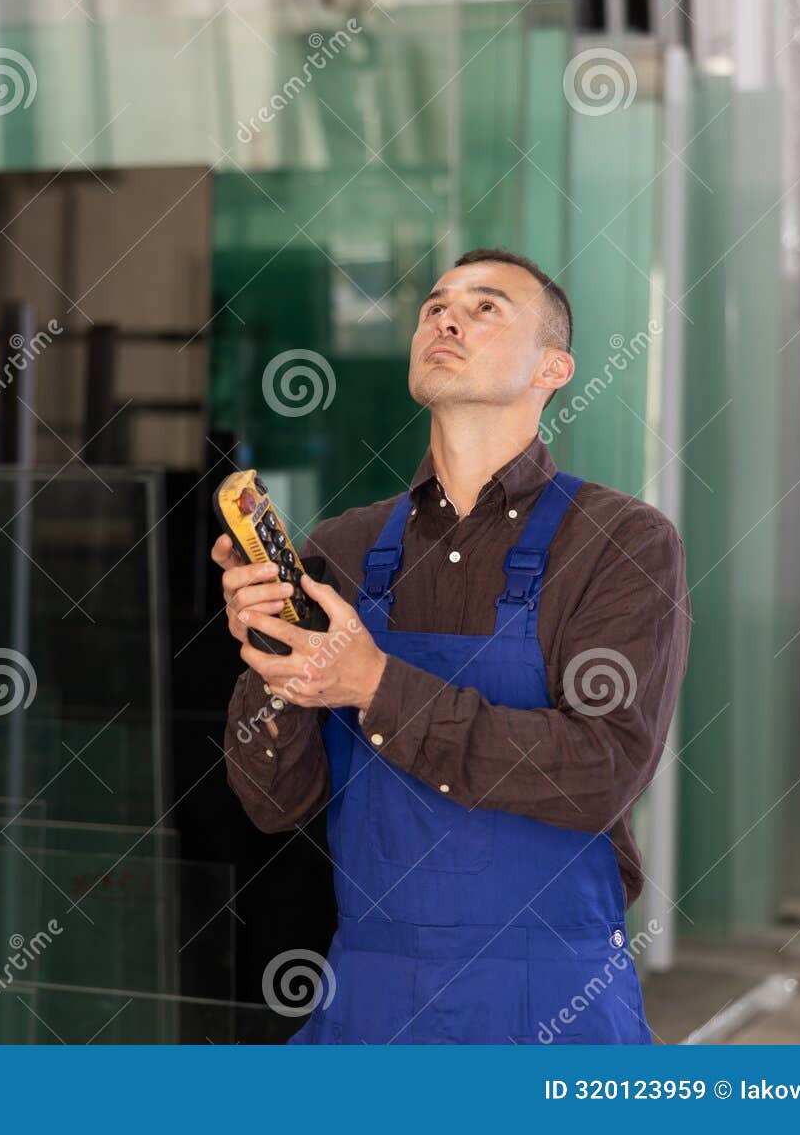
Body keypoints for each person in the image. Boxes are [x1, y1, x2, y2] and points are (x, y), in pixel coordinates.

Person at [213, 248, 691, 1044]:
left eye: (486, 306)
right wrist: (273, 660)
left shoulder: (621, 542)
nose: (446, 315)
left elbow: (598, 773)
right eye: (435, 304)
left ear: (554, 367)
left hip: (549, 1001)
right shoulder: (346, 546)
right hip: (368, 995)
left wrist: (371, 684)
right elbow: (274, 801)